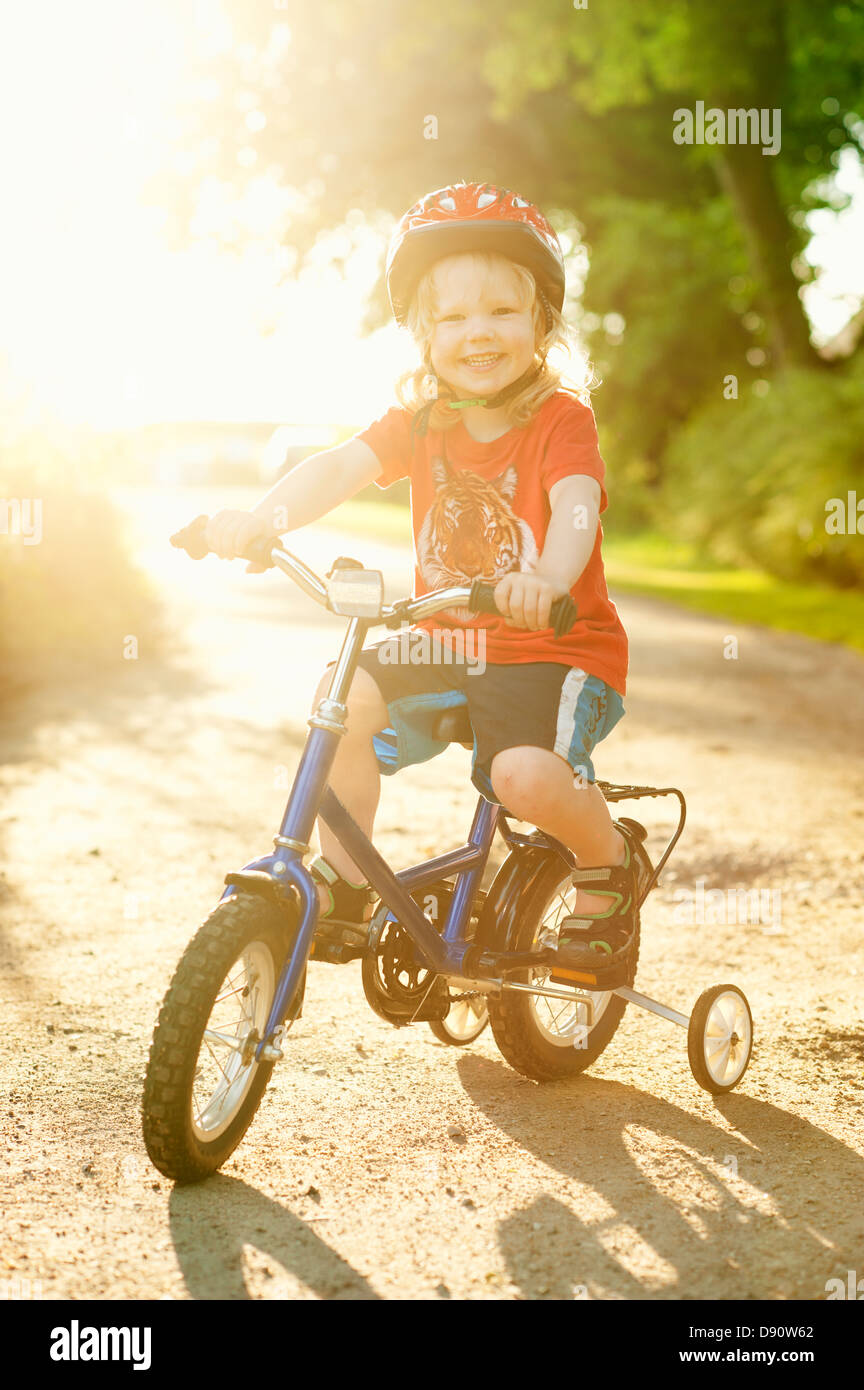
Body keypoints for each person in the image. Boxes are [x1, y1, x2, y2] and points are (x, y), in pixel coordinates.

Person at [205, 181, 650, 987]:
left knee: (523, 778)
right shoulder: (419, 420)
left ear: (542, 321)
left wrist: (548, 574)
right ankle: (341, 877)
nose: (477, 333)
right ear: (420, 333)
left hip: (550, 644)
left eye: (501, 312)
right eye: (451, 318)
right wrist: (263, 518)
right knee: (342, 701)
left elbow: (576, 505)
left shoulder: (560, 421)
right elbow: (341, 465)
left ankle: (610, 861)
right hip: (448, 635)